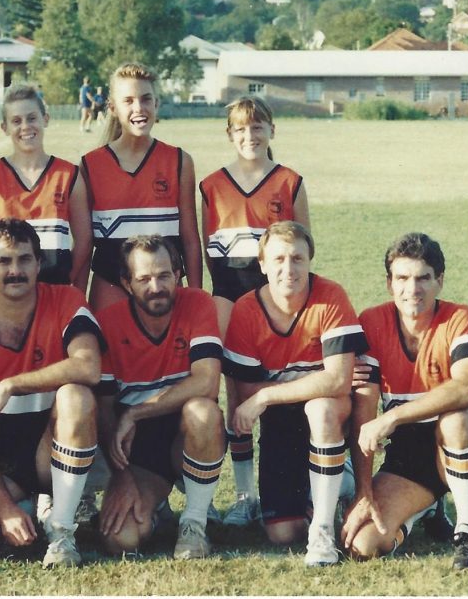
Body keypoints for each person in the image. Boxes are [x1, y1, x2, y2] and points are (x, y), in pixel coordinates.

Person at [0, 219, 105, 567]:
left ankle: (61, 530)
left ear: (39, 263)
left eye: (24, 260)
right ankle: (31, 505)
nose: (15, 271)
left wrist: (11, 384)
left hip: (54, 443)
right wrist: (4, 507)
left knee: (76, 396)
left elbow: (89, 366)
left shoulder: (65, 300)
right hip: (4, 459)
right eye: (4, 261)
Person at [342, 233, 468, 570]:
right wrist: (364, 492)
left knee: (456, 420)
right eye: (402, 278)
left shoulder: (459, 317)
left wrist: (393, 418)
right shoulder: (371, 322)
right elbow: (365, 414)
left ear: (439, 280)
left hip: (461, 441)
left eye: (423, 278)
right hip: (409, 455)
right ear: (389, 283)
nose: (412, 289)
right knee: (362, 544)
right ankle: (425, 508)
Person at [222, 221, 368, 566]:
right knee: (282, 534)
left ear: (309, 260)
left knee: (320, 409)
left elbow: (337, 383)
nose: (289, 269)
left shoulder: (330, 296)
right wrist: (309, 381)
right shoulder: (246, 309)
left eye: (297, 259)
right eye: (279, 259)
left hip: (327, 415)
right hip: (281, 422)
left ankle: (322, 529)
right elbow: (246, 390)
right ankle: (335, 484)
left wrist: (266, 396)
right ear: (262, 264)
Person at [199, 96, 310, 528]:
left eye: (258, 126)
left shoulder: (290, 182)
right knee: (236, 394)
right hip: (229, 295)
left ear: (271, 130)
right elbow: (209, 253)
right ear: (230, 134)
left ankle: (295, 483)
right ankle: (244, 495)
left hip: (275, 299)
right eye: (241, 129)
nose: (250, 135)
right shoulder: (211, 184)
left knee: (282, 384)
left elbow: (302, 248)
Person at [96, 235, 226, 559]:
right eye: (144, 279)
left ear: (178, 273)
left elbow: (207, 382)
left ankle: (194, 523)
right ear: (126, 283)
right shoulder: (108, 324)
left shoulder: (197, 303)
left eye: (164, 275)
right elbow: (105, 411)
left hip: (182, 431)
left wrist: (136, 412)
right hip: (136, 447)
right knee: (121, 540)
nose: (156, 286)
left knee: (204, 412)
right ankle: (154, 510)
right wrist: (122, 477)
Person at [81, 62, 202, 313]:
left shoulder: (179, 161)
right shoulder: (90, 164)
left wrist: (197, 297)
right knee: (110, 353)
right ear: (113, 108)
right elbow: (84, 243)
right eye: (128, 101)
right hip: (110, 284)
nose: (139, 108)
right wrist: (77, 301)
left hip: (165, 285)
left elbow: (190, 239)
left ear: (157, 104)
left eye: (146, 99)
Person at [0, 82, 92, 295]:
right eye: (16, 121)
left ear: (46, 119)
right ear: (4, 128)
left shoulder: (69, 175)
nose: (25, 126)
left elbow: (85, 239)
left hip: (54, 295)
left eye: (32, 118)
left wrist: (65, 280)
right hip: (5, 299)